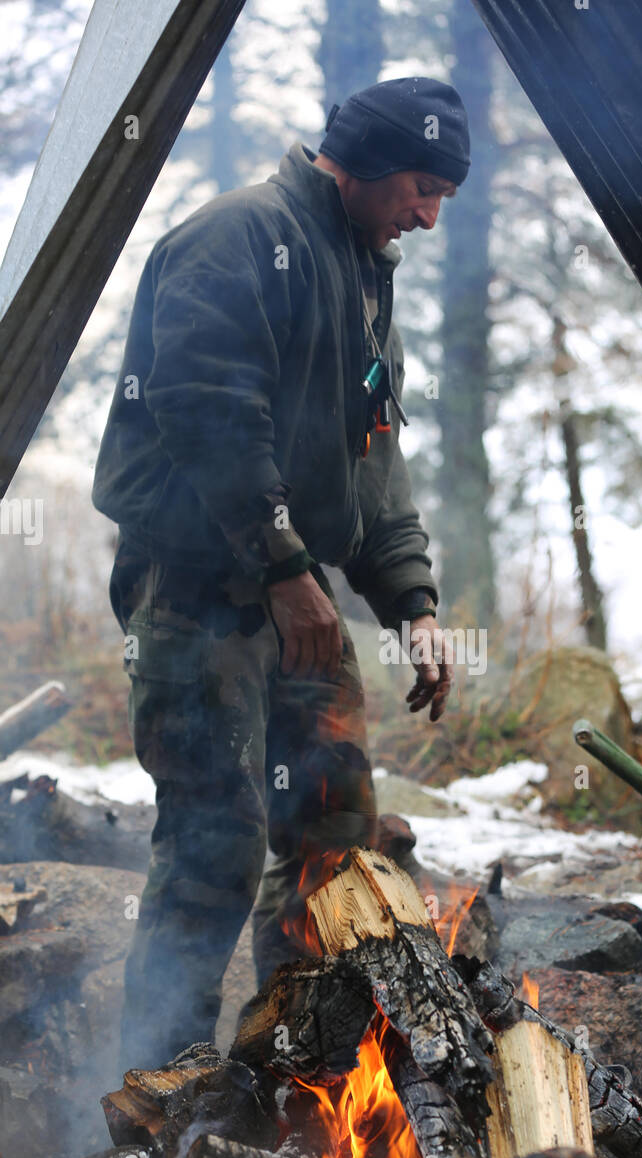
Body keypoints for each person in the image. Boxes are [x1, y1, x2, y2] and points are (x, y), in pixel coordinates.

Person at [92, 76, 470, 1070]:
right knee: (212, 835)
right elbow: (208, 411)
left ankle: (292, 1061)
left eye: (442, 197)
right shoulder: (234, 237)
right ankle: (160, 1083)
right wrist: (284, 566)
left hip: (295, 594)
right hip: (196, 590)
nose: (427, 216)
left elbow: (373, 455)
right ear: (361, 160)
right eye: (419, 187)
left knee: (333, 828)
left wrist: (412, 604)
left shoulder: (363, 267)